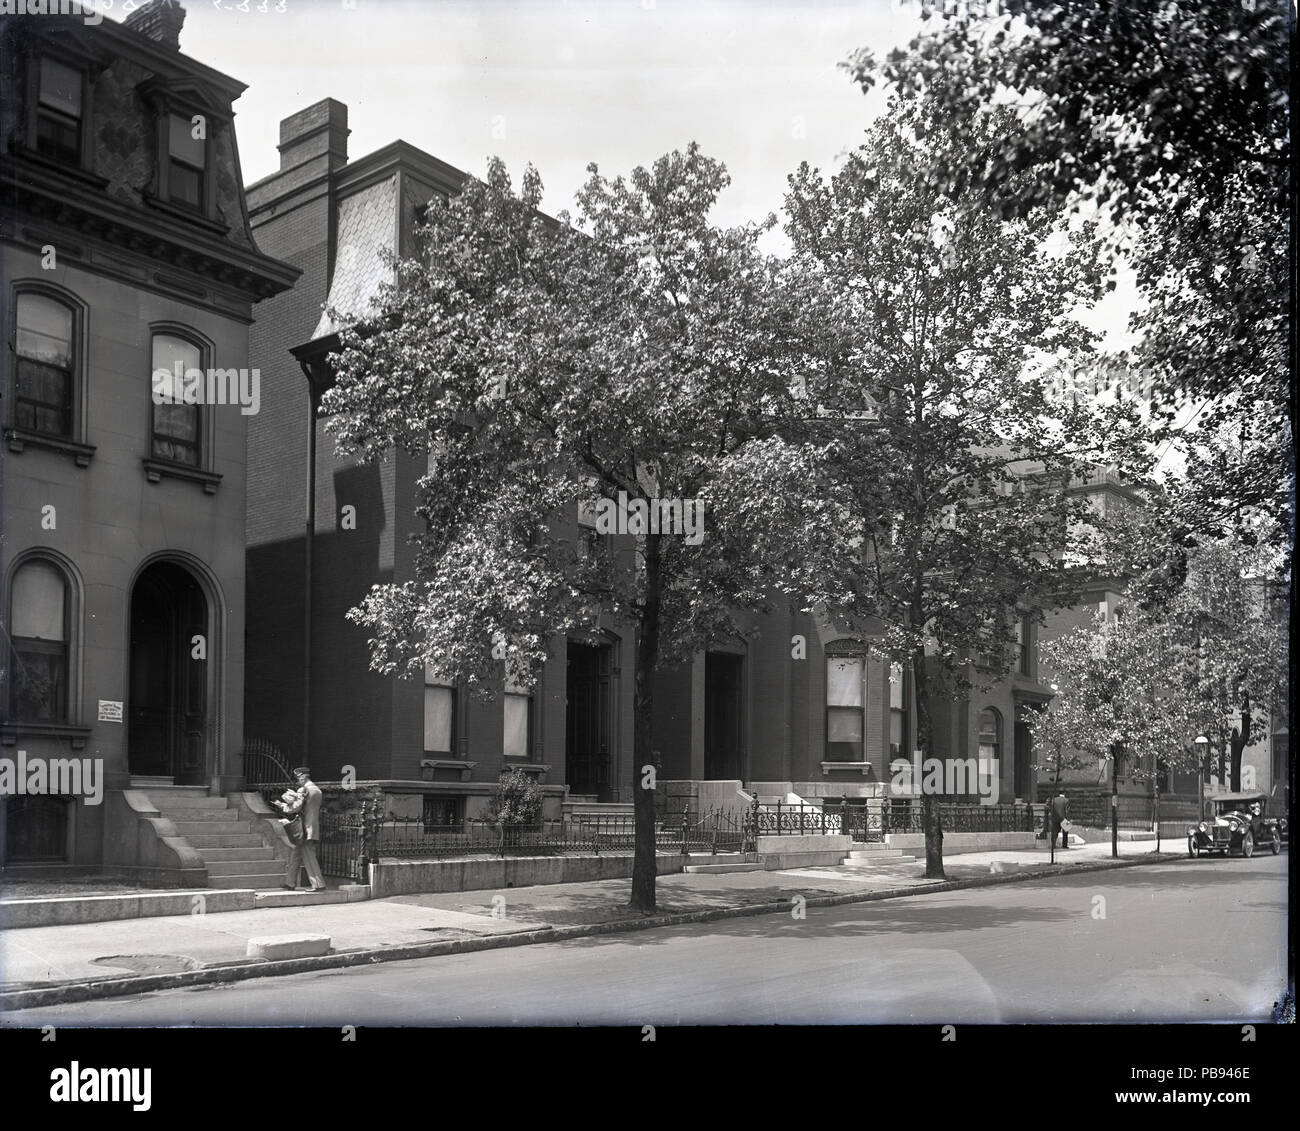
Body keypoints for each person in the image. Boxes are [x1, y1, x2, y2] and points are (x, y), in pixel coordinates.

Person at [276, 767, 325, 891]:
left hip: (305, 829)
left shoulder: (305, 789)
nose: (297, 781)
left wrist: (282, 805)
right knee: (296, 856)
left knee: (309, 857)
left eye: (298, 778)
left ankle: (318, 885)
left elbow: (296, 808)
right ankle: (290, 883)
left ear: (303, 777)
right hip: (311, 826)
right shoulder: (317, 790)